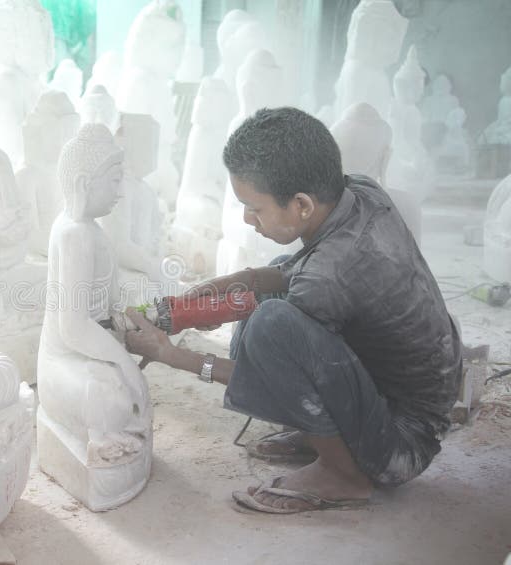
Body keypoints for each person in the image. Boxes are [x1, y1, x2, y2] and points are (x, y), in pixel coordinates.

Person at [124, 107, 462, 514]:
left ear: (301, 204)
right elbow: (294, 271)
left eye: (255, 207)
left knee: (271, 323)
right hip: (397, 392)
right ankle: (323, 432)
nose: (247, 219)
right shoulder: (360, 193)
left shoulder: (327, 279)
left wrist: (169, 354)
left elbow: (261, 368)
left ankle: (344, 475)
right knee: (264, 300)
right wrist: (221, 288)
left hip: (402, 442)